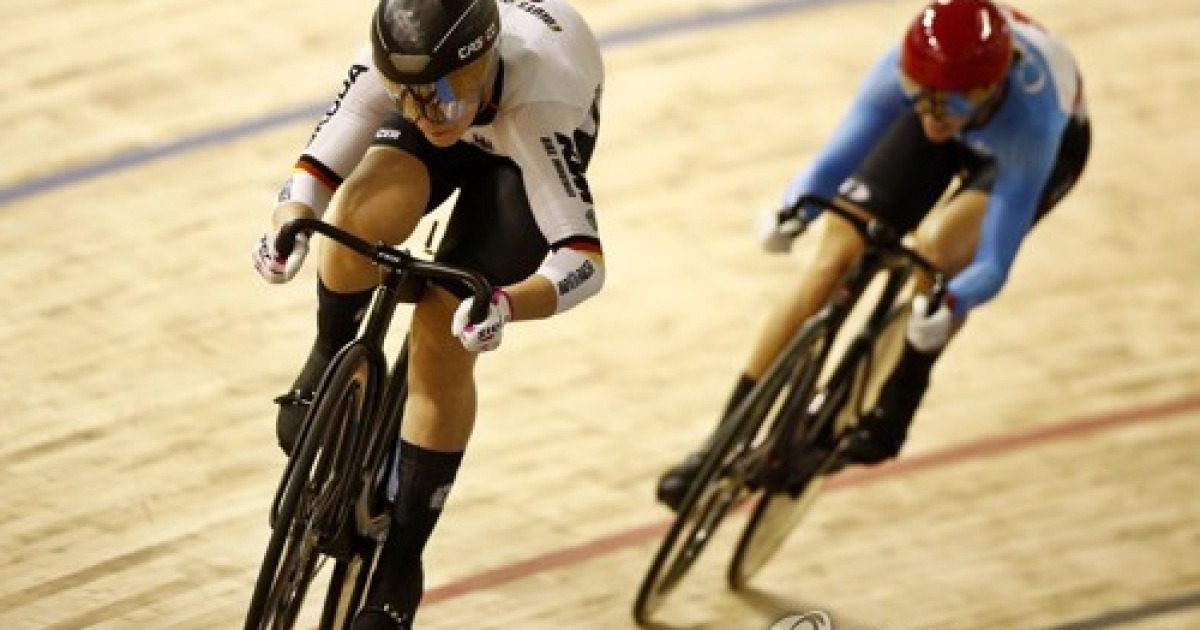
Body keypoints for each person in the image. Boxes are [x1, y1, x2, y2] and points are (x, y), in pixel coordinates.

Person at [250, 0, 605, 626]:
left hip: (517, 154)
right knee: (358, 213)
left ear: (488, 61)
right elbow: (312, 174)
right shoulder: (399, 79)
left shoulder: (541, 106)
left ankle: (402, 559)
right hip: (472, 105)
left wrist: (505, 305)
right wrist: (291, 225)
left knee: (444, 335)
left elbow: (582, 259)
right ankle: (327, 357)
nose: (432, 112)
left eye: (452, 89)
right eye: (410, 95)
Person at [657, 0, 1090, 509]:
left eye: (947, 102)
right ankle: (718, 443)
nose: (932, 116)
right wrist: (793, 210)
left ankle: (900, 397)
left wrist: (952, 302)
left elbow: (994, 261)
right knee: (832, 259)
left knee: (938, 251)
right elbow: (836, 157)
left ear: (990, 88)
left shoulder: (1031, 123)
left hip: (1035, 153)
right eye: (921, 97)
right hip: (967, 111)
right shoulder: (917, 83)